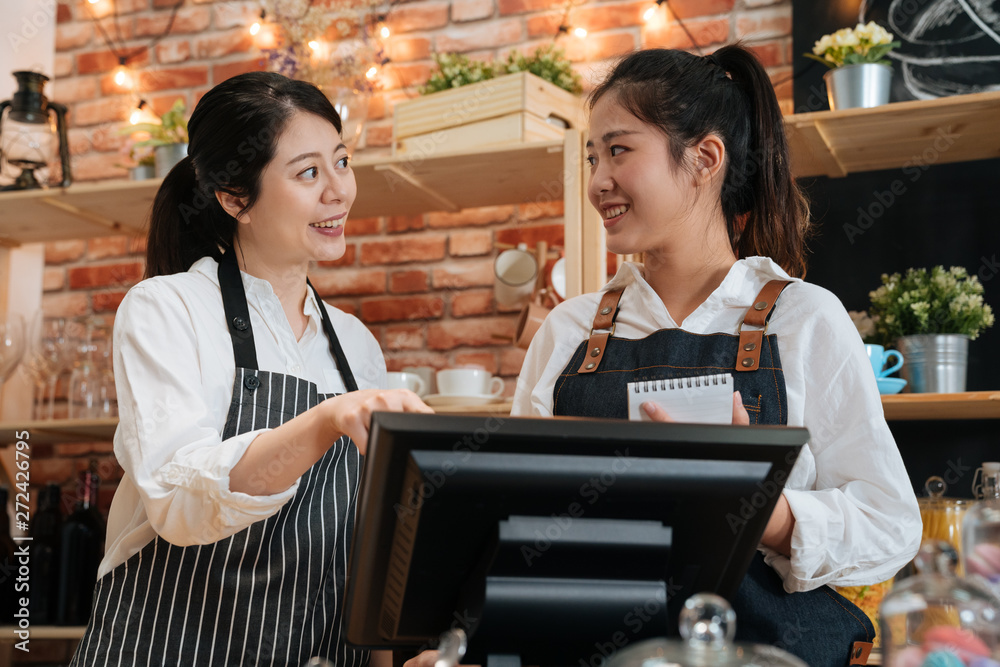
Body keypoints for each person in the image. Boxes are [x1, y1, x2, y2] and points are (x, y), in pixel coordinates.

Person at [512, 46, 922, 667]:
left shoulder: (804, 319)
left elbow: (889, 527)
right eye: (592, 157)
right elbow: (514, 528)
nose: (597, 181)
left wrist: (764, 511)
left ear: (705, 158)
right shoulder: (568, 331)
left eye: (618, 150)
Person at [69, 71, 431, 666]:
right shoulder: (167, 309)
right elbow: (180, 502)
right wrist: (326, 420)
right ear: (235, 198)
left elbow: (366, 538)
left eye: (342, 162)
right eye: (308, 172)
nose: (339, 191)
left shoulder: (356, 345)